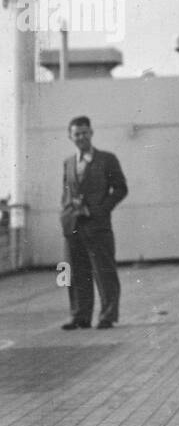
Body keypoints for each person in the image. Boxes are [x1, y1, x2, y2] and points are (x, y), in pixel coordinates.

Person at [59, 116, 128, 330]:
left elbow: (120, 189)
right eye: (76, 134)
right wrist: (65, 215)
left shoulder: (107, 159)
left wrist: (98, 210)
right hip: (73, 225)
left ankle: (107, 316)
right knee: (76, 273)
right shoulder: (68, 163)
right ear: (70, 137)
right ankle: (80, 316)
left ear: (91, 133)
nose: (81, 137)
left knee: (104, 271)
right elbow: (66, 193)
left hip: (97, 225)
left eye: (84, 132)